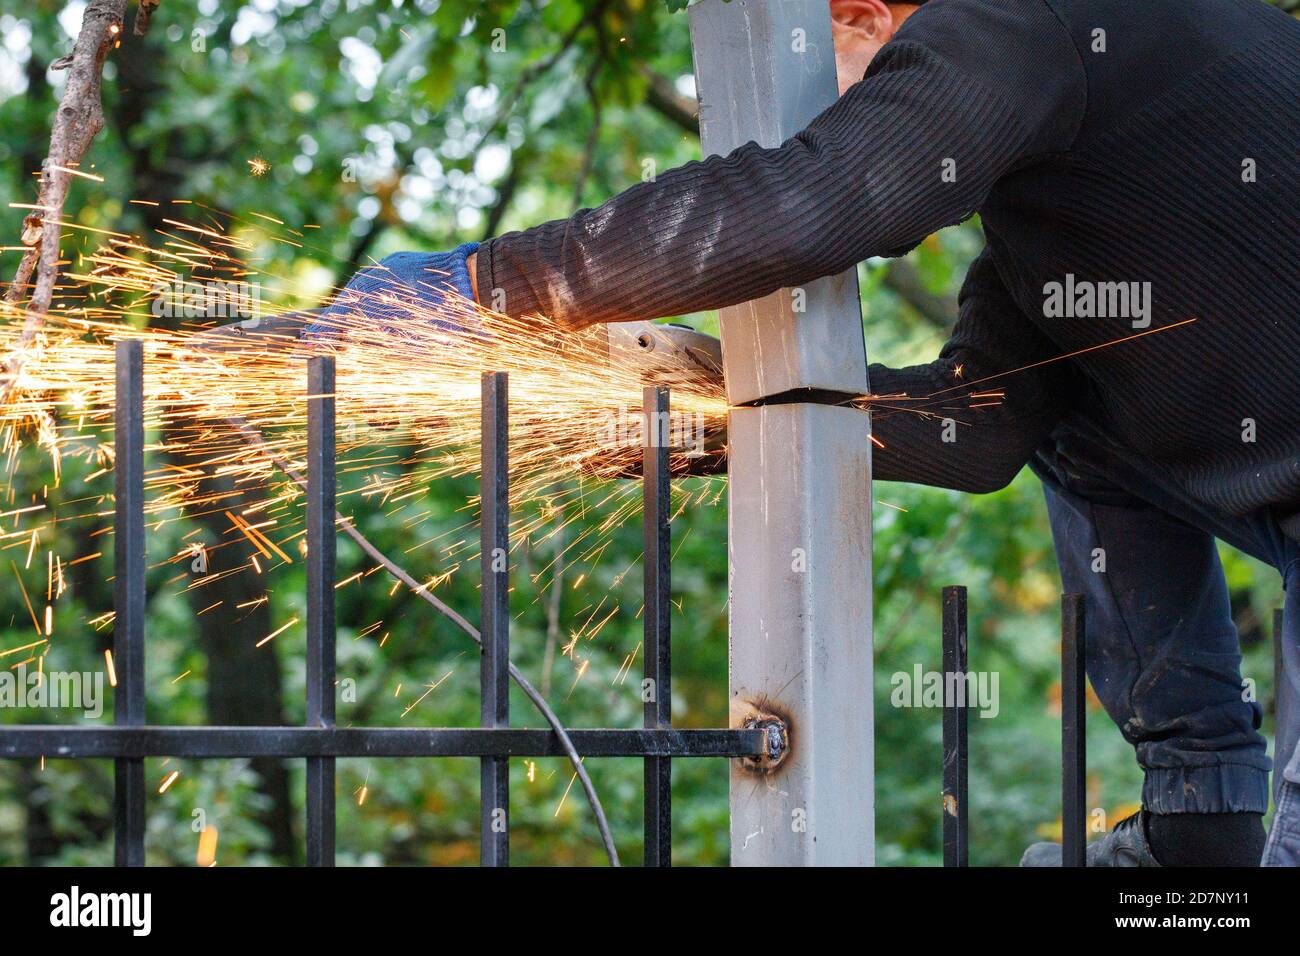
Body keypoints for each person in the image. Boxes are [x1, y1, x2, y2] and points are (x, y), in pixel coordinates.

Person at [314, 0, 1300, 865]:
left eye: (830, 97)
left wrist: (491, 285)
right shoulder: (1064, 199)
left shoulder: (1012, 17)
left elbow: (812, 201)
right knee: (1064, 408)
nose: (839, 126)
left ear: (862, 14)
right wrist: (716, 424)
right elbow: (979, 422)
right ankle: (1200, 815)